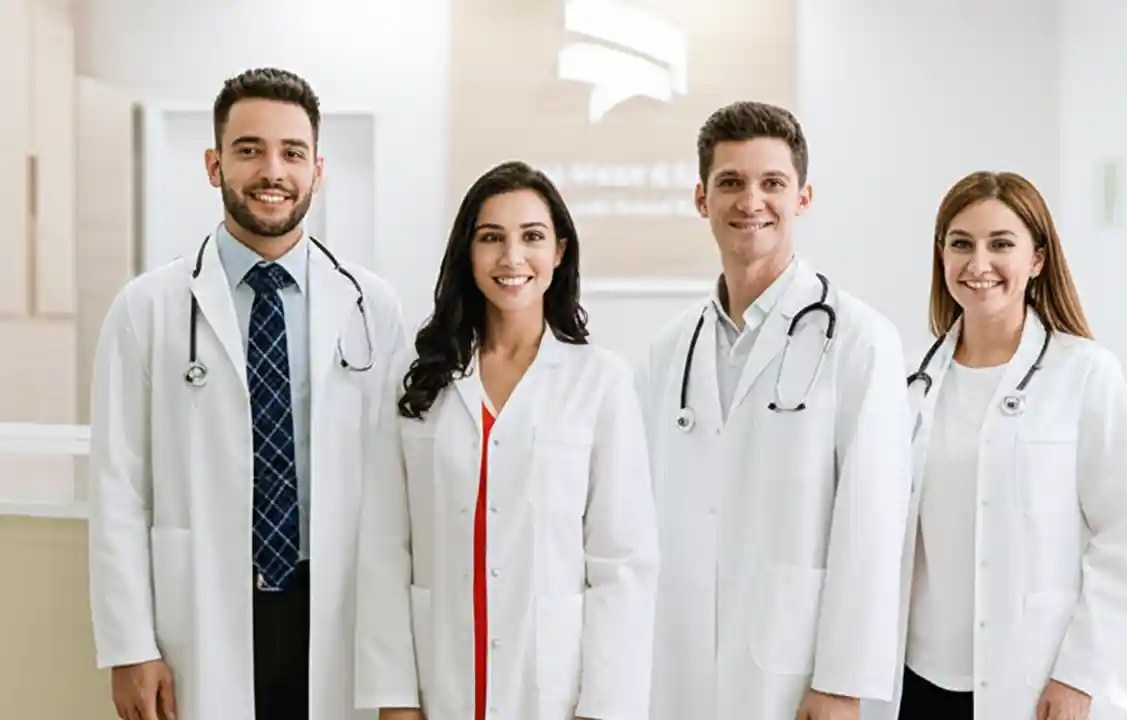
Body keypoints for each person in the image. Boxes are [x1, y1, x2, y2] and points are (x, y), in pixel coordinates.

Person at [88, 67, 407, 720]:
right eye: (249, 149)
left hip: (333, 611)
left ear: (318, 169)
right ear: (214, 165)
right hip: (199, 615)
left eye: (292, 152)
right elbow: (117, 488)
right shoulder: (146, 309)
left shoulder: (373, 307)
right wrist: (128, 646)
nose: (272, 170)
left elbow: (399, 490)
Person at [637, 101, 913, 720]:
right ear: (701, 198)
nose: (750, 201)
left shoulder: (860, 339)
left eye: (772, 184)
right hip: (677, 667)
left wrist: (843, 682)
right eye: (730, 182)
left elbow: (872, 522)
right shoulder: (668, 350)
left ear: (804, 198)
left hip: (794, 674)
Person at [354, 160, 659, 720]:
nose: (512, 258)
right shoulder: (418, 380)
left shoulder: (600, 381)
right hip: (441, 680)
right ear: (467, 255)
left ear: (560, 252)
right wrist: (393, 698)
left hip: (554, 691)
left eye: (532, 237)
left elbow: (623, 561)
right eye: (491, 238)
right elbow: (383, 549)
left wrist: (605, 707)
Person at [883, 171, 1127, 720]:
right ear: (941, 256)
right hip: (917, 679)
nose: (978, 264)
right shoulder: (907, 378)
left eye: (1001, 244)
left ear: (1036, 258)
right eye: (961, 244)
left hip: (1032, 682)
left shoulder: (1085, 373)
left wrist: (1078, 676)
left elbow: (1124, 536)